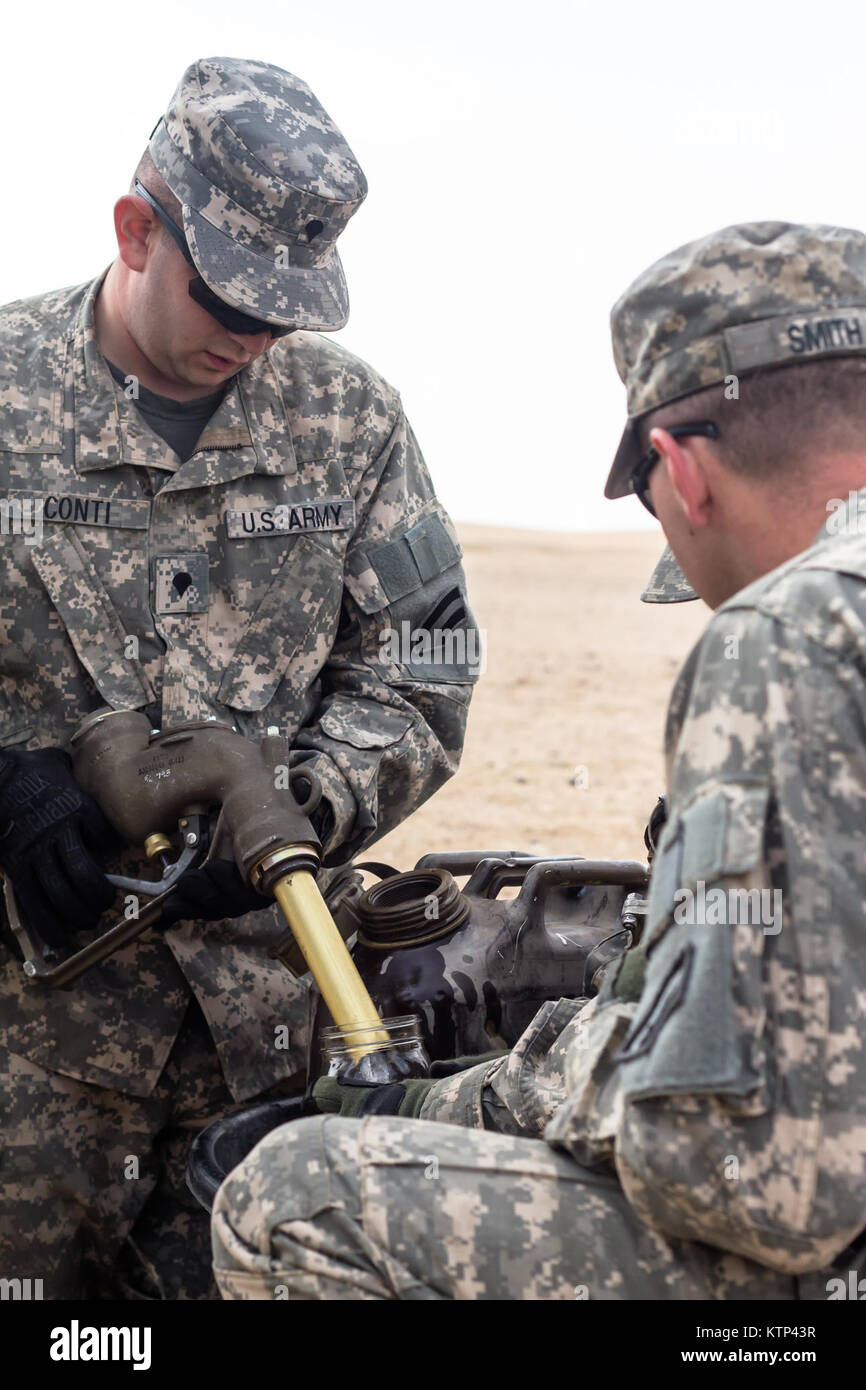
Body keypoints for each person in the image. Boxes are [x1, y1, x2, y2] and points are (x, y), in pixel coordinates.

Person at [212, 220, 866, 1300]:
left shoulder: (789, 635)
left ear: (677, 472)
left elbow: (757, 1182)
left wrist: (478, 1101)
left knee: (297, 1197)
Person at [0, 56, 479, 1300]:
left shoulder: (349, 422)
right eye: (227, 297)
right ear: (134, 230)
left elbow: (421, 667)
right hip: (25, 1052)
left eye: (285, 308)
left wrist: (307, 806)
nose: (253, 337)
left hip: (265, 1032)